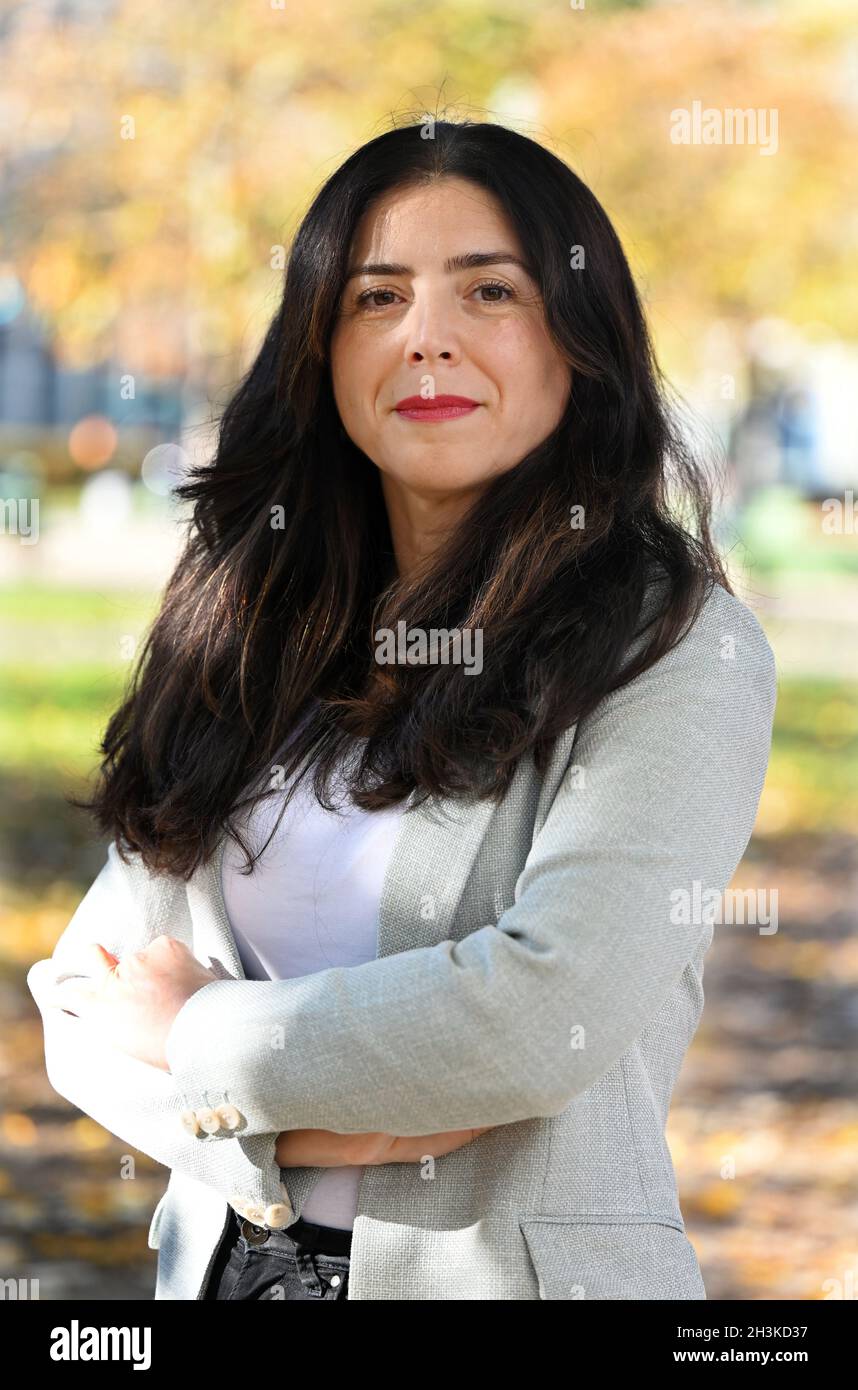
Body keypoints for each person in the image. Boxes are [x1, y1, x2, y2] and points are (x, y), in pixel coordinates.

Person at [27, 119, 777, 1301]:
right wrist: (284, 1137)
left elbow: (542, 1013)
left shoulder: (674, 647)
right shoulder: (259, 620)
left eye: (490, 290)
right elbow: (81, 998)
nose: (427, 338)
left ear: (582, 342)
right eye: (378, 297)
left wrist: (202, 1037)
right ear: (320, 347)